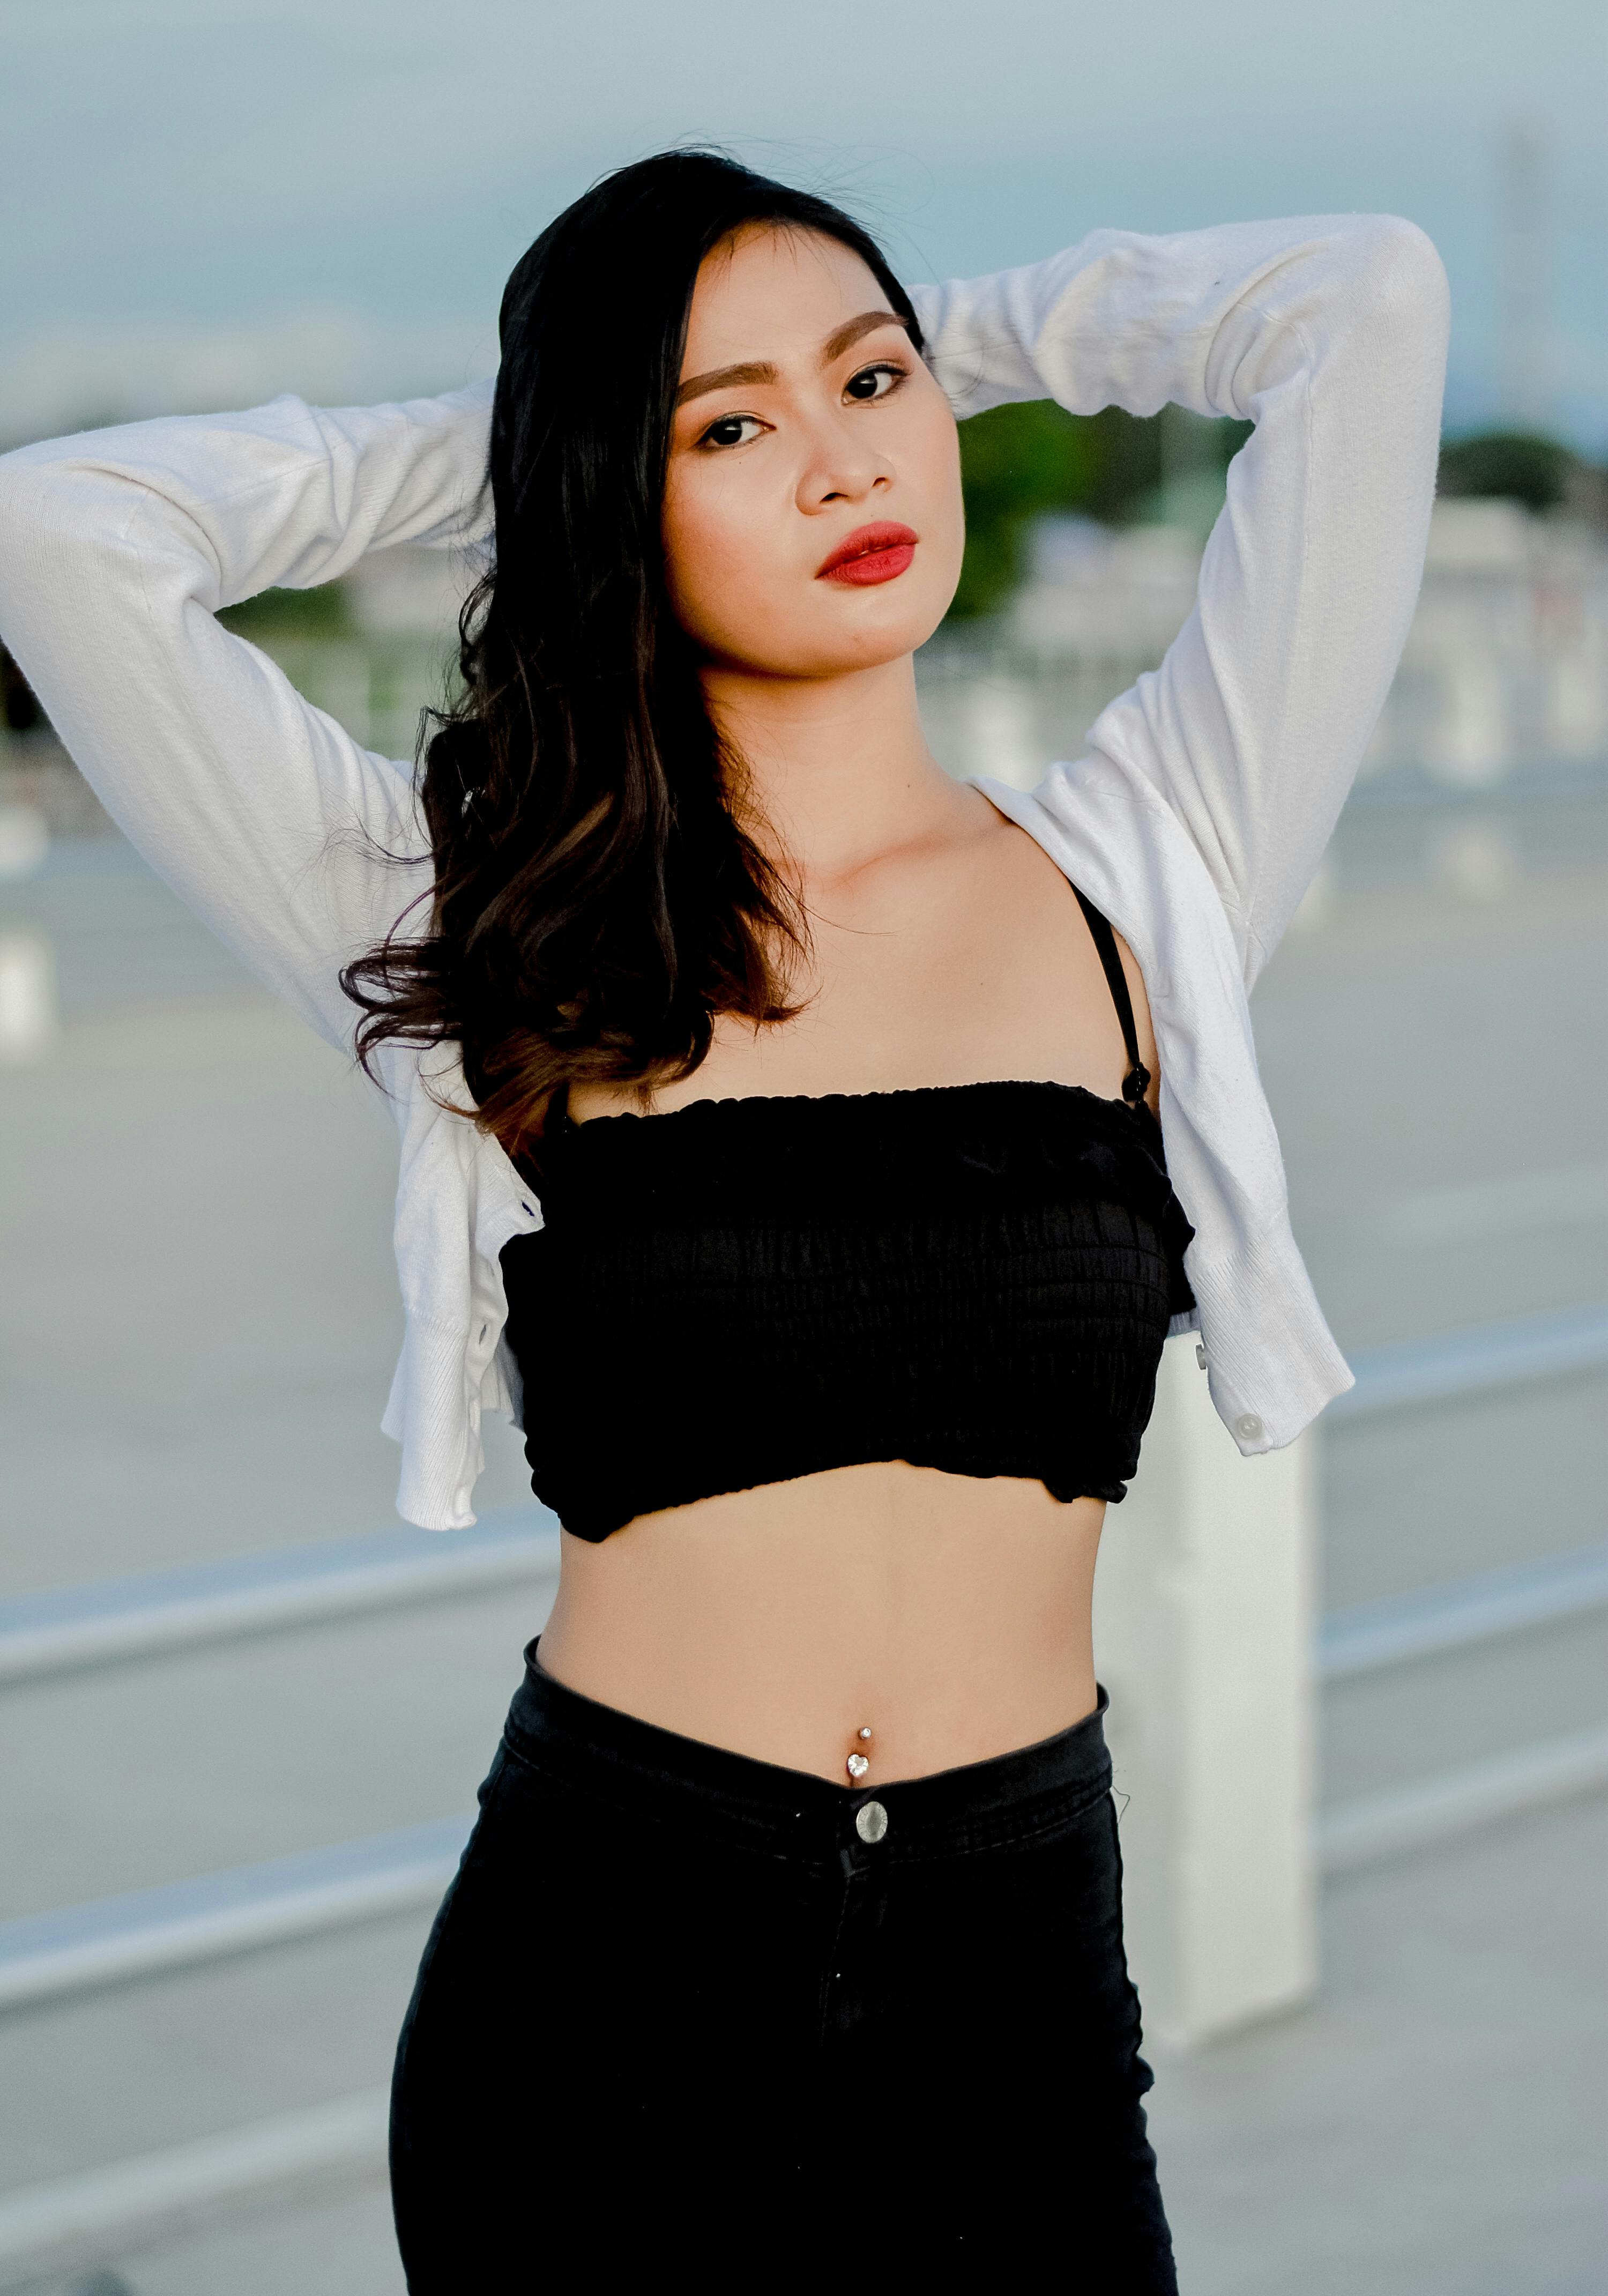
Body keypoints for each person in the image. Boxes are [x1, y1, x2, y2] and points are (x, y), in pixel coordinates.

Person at [0, 150, 1448, 2284]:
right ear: (609, 493)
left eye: (877, 385)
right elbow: (62, 535)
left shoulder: (1155, 866)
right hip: (607, 2000)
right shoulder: (476, 923)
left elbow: (1365, 297)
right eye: (730, 427)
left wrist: (915, 342)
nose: (843, 460)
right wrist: (544, 432)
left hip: (1020, 1993)